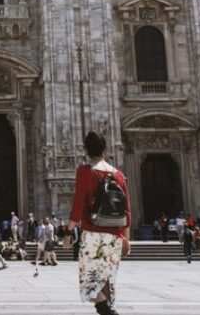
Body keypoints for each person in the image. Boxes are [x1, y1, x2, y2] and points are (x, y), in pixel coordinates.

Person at [68, 131, 131, 315]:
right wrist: (126, 238)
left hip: (94, 234)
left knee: (88, 283)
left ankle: (108, 311)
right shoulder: (118, 174)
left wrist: (67, 232)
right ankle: (108, 309)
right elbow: (127, 209)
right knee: (106, 281)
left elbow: (78, 205)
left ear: (86, 151)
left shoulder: (85, 172)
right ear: (105, 150)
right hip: (116, 234)